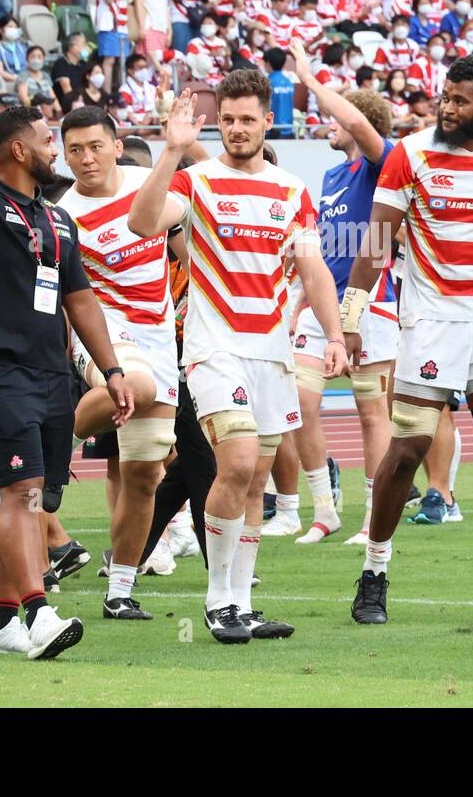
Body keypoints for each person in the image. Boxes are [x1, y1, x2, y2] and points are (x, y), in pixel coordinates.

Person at [128, 70, 346, 643]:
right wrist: (171, 149)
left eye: (248, 118)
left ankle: (243, 603)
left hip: (271, 352)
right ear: (216, 120)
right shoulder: (196, 180)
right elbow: (142, 223)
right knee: (241, 462)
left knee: (257, 485)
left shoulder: (291, 189)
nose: (237, 129)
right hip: (214, 348)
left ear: (268, 120)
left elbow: (313, 269)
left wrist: (335, 334)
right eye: (227, 119)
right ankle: (216, 599)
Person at [0, 82, 135, 659]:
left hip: (52, 376)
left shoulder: (59, 219)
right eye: (48, 140)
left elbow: (81, 299)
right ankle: (38, 612)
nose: (57, 151)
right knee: (21, 492)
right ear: (18, 150)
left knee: (35, 498)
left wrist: (110, 369)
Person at [343, 55, 473, 628]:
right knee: (407, 450)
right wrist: (352, 315)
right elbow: (377, 238)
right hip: (430, 322)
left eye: (459, 100)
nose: (447, 107)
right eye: (445, 96)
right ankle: (374, 571)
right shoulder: (410, 154)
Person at [56, 107, 183, 621]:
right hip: (103, 334)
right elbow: (64, 291)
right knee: (134, 383)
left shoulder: (146, 182)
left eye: (94, 146)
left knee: (145, 472)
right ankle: (49, 438)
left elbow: (180, 233)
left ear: (115, 146)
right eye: (74, 150)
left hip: (158, 331)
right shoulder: (63, 214)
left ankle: (120, 591)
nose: (86, 159)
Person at [279, 39, 397, 546]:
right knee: (300, 402)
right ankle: (324, 510)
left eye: (334, 117)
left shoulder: (380, 163)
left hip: (370, 301)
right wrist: (301, 299)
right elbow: (322, 249)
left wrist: (311, 80)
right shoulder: (328, 175)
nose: (324, 122)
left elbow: (361, 127)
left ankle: (375, 516)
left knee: (373, 413)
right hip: (323, 305)